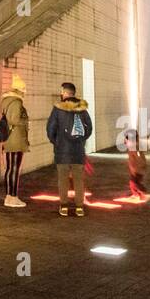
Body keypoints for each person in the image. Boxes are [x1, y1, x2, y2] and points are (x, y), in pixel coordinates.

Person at [47, 81, 93, 217]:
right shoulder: (82, 109)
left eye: (62, 91)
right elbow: (89, 128)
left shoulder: (58, 109)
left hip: (62, 150)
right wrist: (81, 140)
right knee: (79, 179)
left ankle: (64, 207)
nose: (61, 93)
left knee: (63, 179)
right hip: (78, 150)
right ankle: (79, 207)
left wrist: (56, 142)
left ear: (66, 93)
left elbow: (50, 129)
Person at [0, 76, 29, 208]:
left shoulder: (6, 101)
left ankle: (8, 196)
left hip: (9, 139)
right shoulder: (16, 102)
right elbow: (14, 120)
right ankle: (13, 197)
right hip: (15, 139)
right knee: (15, 169)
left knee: (10, 168)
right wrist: (25, 121)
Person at [125, 129, 150, 201]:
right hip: (135, 168)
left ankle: (143, 194)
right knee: (133, 183)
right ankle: (136, 194)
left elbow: (139, 157)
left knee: (134, 183)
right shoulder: (133, 146)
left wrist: (138, 168)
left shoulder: (135, 147)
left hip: (137, 169)